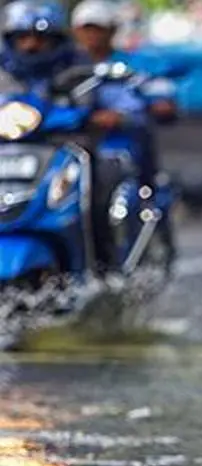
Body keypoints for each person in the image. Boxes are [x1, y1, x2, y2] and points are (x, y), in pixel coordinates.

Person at [0, 0, 148, 273]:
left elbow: (124, 104)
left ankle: (105, 266)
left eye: (39, 38)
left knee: (102, 182)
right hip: (11, 154)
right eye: (23, 37)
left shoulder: (81, 70)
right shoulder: (4, 73)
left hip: (66, 151)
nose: (31, 45)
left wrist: (109, 115)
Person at [71, 0, 176, 189]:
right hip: (74, 136)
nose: (92, 35)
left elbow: (160, 96)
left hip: (119, 137)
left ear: (112, 30)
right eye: (86, 29)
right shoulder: (65, 66)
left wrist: (153, 105)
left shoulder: (134, 64)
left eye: (98, 29)